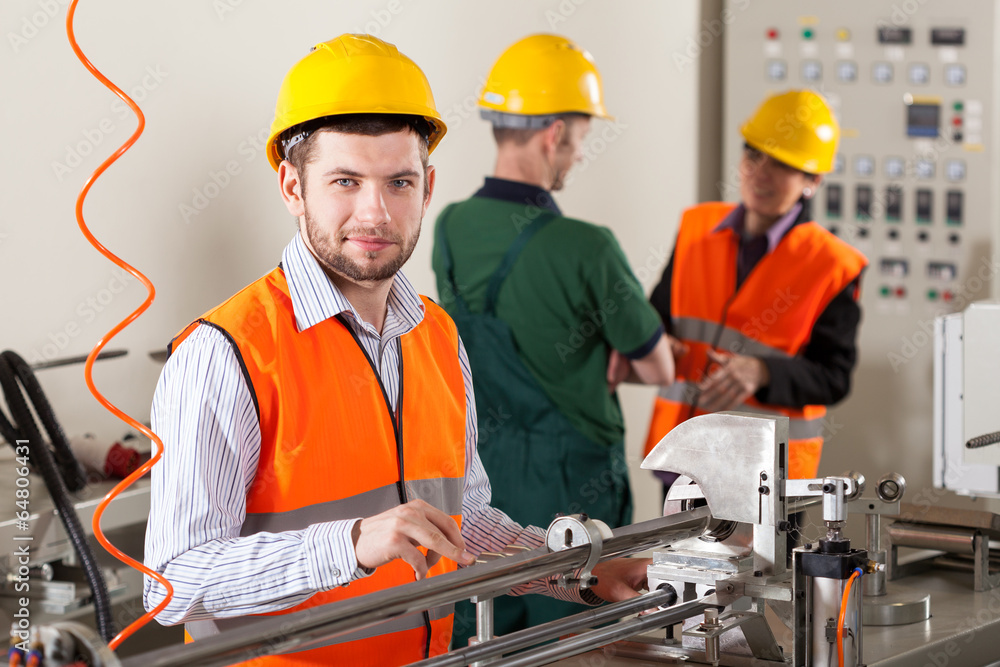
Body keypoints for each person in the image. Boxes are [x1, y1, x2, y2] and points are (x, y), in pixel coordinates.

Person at [142, 34, 652, 666]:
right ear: (292, 187)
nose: (375, 212)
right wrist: (352, 544)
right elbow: (173, 584)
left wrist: (574, 571)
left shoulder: (436, 337)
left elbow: (458, 519)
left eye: (399, 182)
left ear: (428, 187)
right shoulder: (224, 354)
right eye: (345, 181)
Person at [431, 34, 674, 643]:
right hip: (574, 482)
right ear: (554, 133)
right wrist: (612, 352)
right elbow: (659, 366)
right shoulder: (588, 247)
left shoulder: (450, 227)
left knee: (485, 634)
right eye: (581, 139)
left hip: (481, 479)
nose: (580, 155)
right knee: (584, 630)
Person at [643, 90, 868, 496]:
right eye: (754, 155)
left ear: (812, 181)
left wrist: (763, 372)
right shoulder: (698, 229)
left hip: (765, 483)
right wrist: (659, 343)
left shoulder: (833, 266)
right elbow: (657, 316)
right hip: (683, 462)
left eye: (781, 164)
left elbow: (834, 377)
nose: (760, 173)